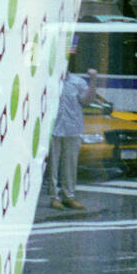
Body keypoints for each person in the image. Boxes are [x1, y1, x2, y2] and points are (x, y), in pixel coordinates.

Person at [48, 57, 98, 211]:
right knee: (53, 165)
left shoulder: (78, 82)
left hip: (72, 128)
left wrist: (93, 80)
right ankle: (54, 197)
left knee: (70, 164)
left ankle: (69, 196)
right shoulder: (49, 82)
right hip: (53, 129)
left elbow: (87, 101)